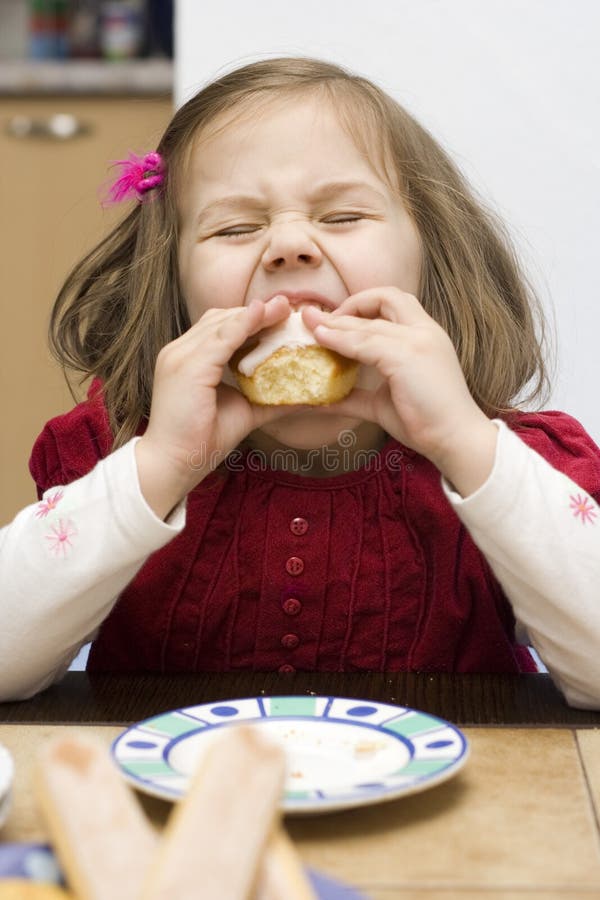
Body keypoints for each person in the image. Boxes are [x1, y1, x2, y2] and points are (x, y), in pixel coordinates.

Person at [2, 57, 600, 707]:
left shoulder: (508, 466)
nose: (289, 246)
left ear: (433, 262)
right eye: (235, 228)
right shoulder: (116, 454)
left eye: (342, 217)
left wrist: (466, 446)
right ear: (173, 287)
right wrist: (161, 465)